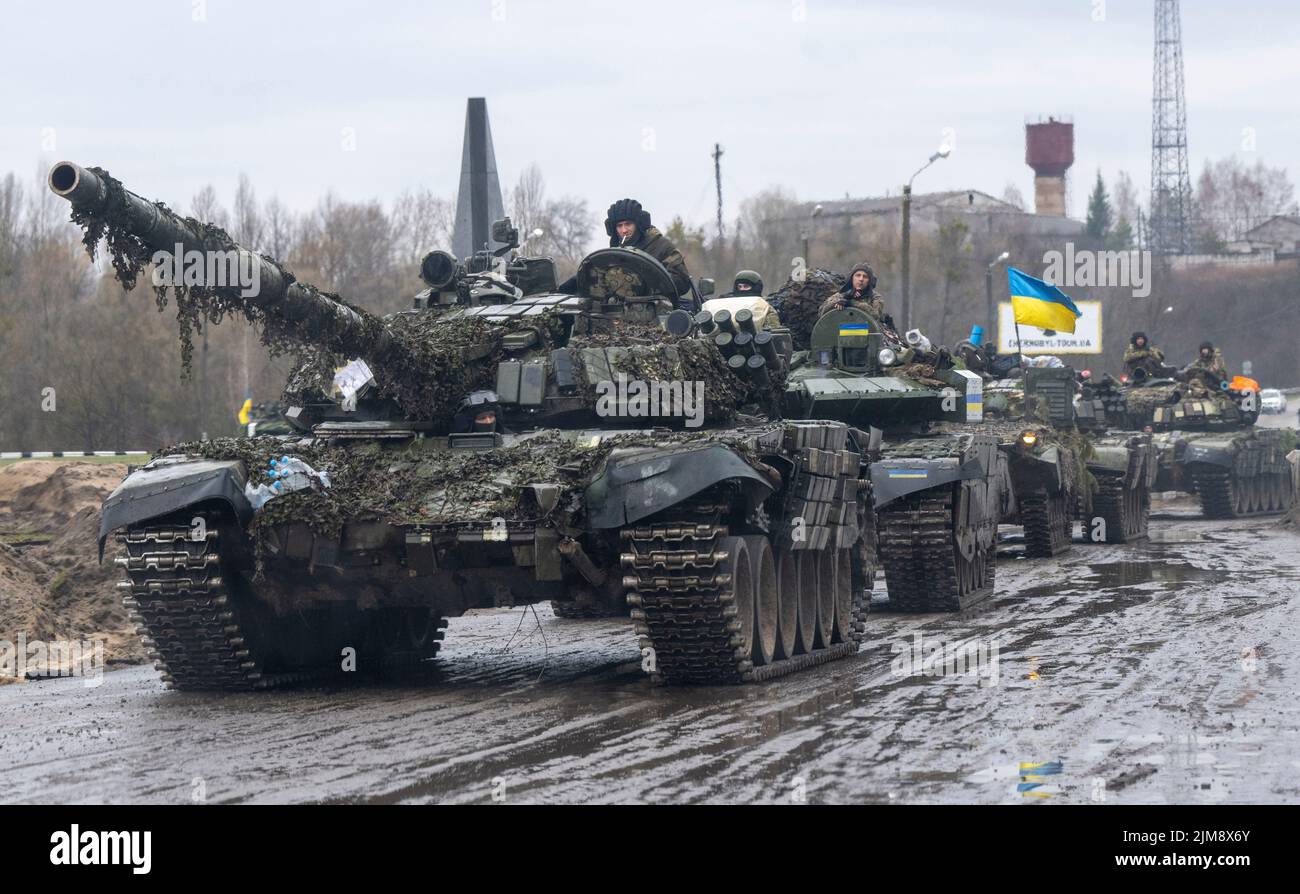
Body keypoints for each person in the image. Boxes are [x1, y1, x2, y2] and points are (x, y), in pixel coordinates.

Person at [702, 268, 781, 329]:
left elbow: (774, 329)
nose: (742, 289)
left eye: (746, 286)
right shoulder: (726, 302)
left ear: (756, 287)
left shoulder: (764, 306)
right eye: (739, 286)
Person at [819, 262, 890, 325]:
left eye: (865, 276)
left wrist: (852, 303)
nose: (861, 279)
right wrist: (841, 301)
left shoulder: (875, 297)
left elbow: (875, 315)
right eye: (858, 275)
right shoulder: (843, 294)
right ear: (852, 278)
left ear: (869, 281)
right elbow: (822, 312)